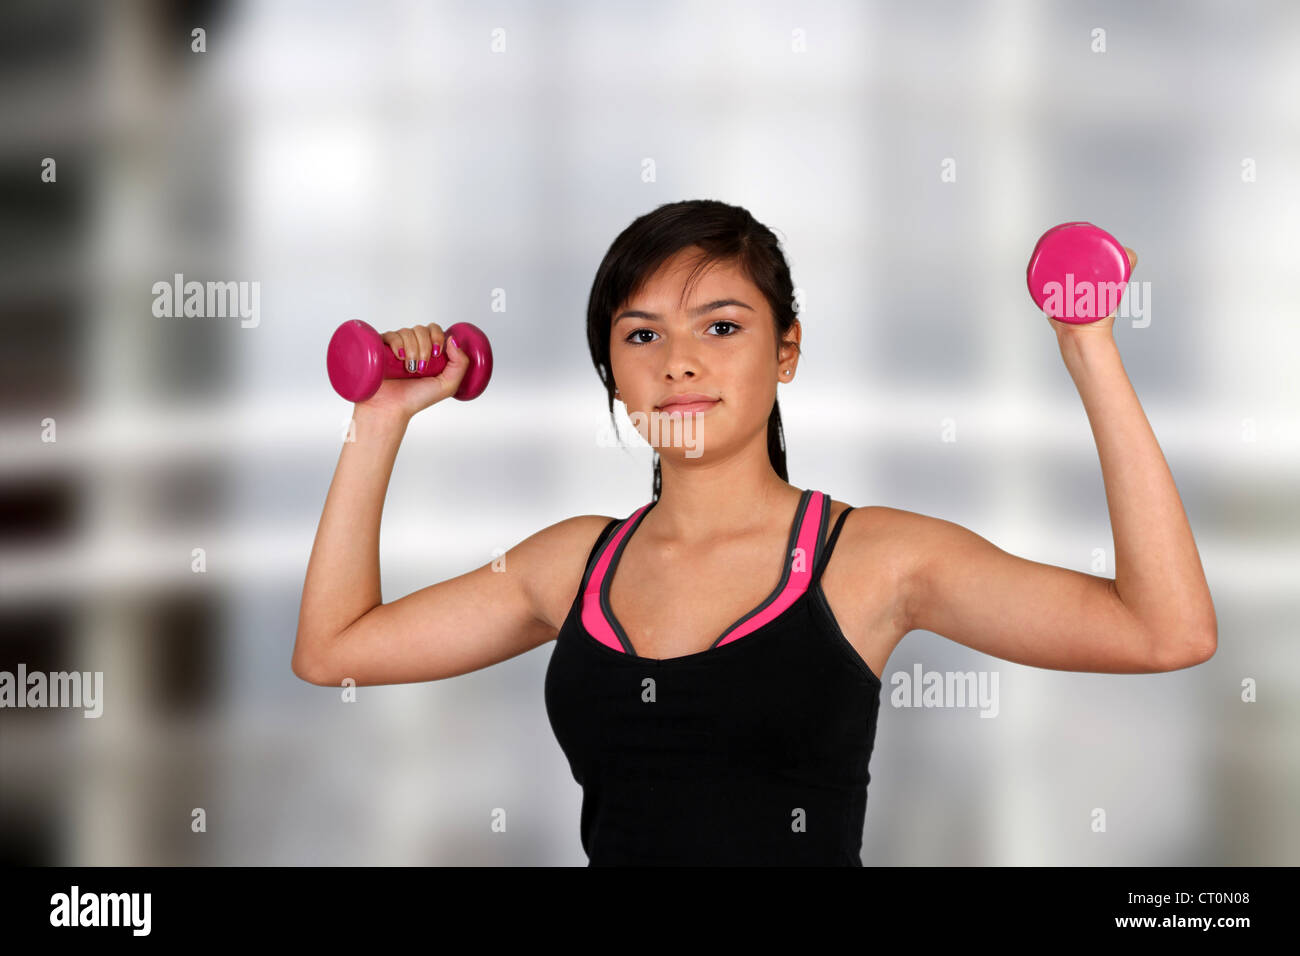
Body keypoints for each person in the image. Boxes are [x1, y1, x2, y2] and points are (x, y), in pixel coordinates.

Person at [293, 199, 1217, 866]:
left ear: (787, 351)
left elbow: (1165, 630)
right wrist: (379, 421)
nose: (680, 361)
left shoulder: (877, 560)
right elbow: (333, 649)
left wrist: (1087, 346)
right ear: (613, 372)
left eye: (721, 325)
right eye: (641, 336)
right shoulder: (570, 562)